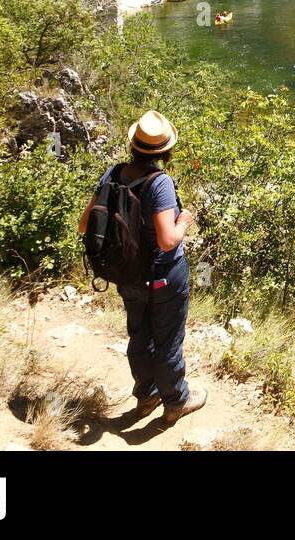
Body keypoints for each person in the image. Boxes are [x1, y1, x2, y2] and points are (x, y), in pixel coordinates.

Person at [78, 110, 206, 425]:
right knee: (168, 338)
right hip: (163, 276)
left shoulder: (113, 173)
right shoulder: (159, 182)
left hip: (127, 274)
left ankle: (146, 397)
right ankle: (176, 401)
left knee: (139, 335)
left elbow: (84, 226)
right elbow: (167, 240)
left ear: (134, 144)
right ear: (165, 150)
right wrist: (184, 221)